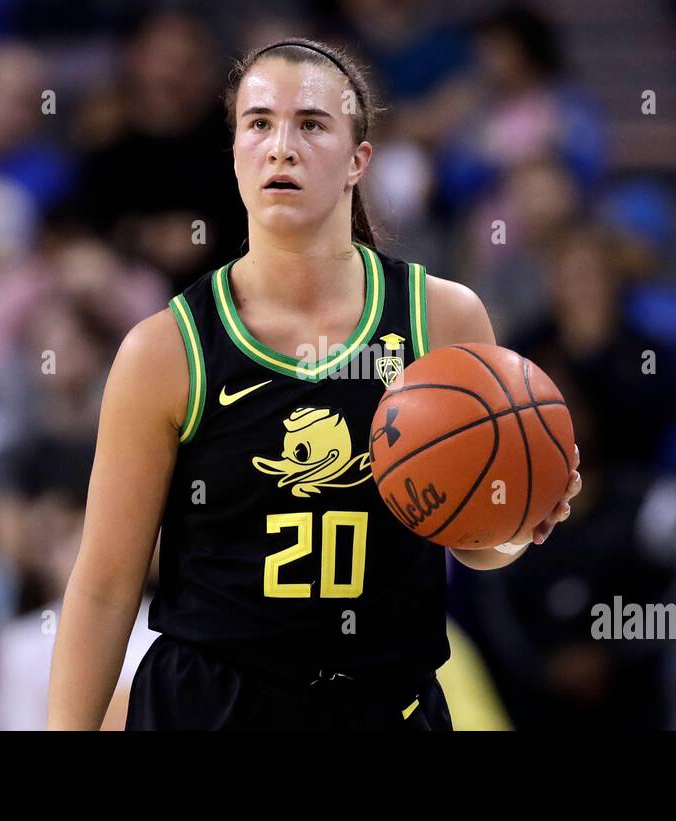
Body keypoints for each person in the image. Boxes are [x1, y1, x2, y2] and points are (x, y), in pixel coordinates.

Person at [47, 38, 582, 731]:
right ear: (235, 153)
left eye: (312, 123)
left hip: (385, 703)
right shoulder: (166, 350)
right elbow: (103, 584)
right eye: (259, 123)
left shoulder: (440, 317)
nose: (281, 146)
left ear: (359, 160)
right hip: (212, 707)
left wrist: (517, 517)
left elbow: (470, 536)